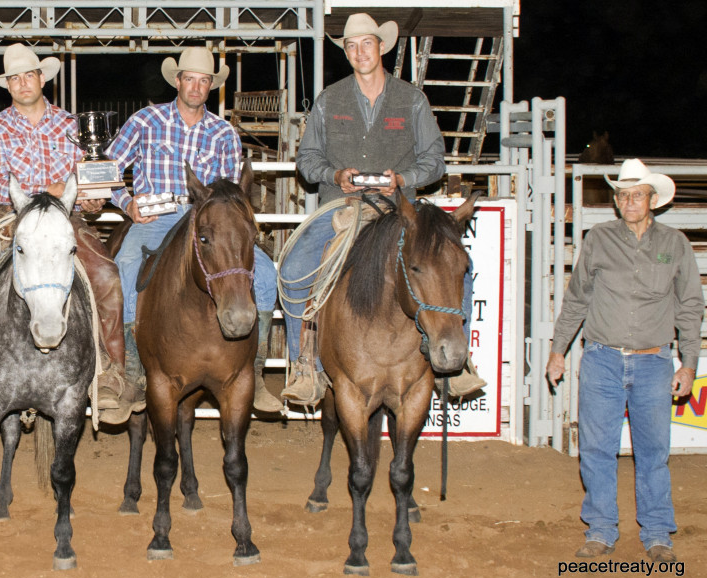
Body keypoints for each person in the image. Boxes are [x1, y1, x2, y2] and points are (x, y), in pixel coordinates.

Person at [0, 44, 139, 425]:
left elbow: (88, 180)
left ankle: (111, 372)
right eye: (14, 78)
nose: (23, 83)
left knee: (106, 276)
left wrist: (90, 200)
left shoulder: (73, 125)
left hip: (66, 218)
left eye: (29, 75)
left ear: (42, 79)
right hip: (13, 216)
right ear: (7, 85)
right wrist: (60, 188)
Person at [281, 12, 483, 406]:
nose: (360, 52)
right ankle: (304, 362)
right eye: (352, 46)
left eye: (366, 44)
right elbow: (307, 160)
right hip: (342, 205)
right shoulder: (329, 100)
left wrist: (402, 179)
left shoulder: (411, 100)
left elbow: (435, 160)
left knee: (460, 266)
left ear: (381, 47)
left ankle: (459, 360)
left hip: (399, 209)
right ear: (347, 52)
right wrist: (335, 173)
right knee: (293, 270)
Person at [104, 46, 283, 413]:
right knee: (123, 265)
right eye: (191, 79)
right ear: (178, 81)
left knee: (265, 275)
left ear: (210, 86)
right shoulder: (145, 121)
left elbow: (232, 192)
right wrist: (128, 204)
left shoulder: (223, 132)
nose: (197, 87)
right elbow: (107, 170)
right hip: (157, 216)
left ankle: (257, 369)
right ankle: (132, 369)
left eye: (204, 81)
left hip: (208, 223)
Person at [547, 158, 702, 564]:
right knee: (597, 449)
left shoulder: (675, 245)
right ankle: (600, 529)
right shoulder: (598, 239)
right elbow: (577, 297)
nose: (629, 201)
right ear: (616, 202)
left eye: (637, 194)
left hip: (654, 363)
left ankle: (656, 534)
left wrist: (689, 364)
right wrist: (558, 350)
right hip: (601, 359)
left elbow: (689, 306)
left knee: (653, 451)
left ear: (652, 200)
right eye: (623, 195)